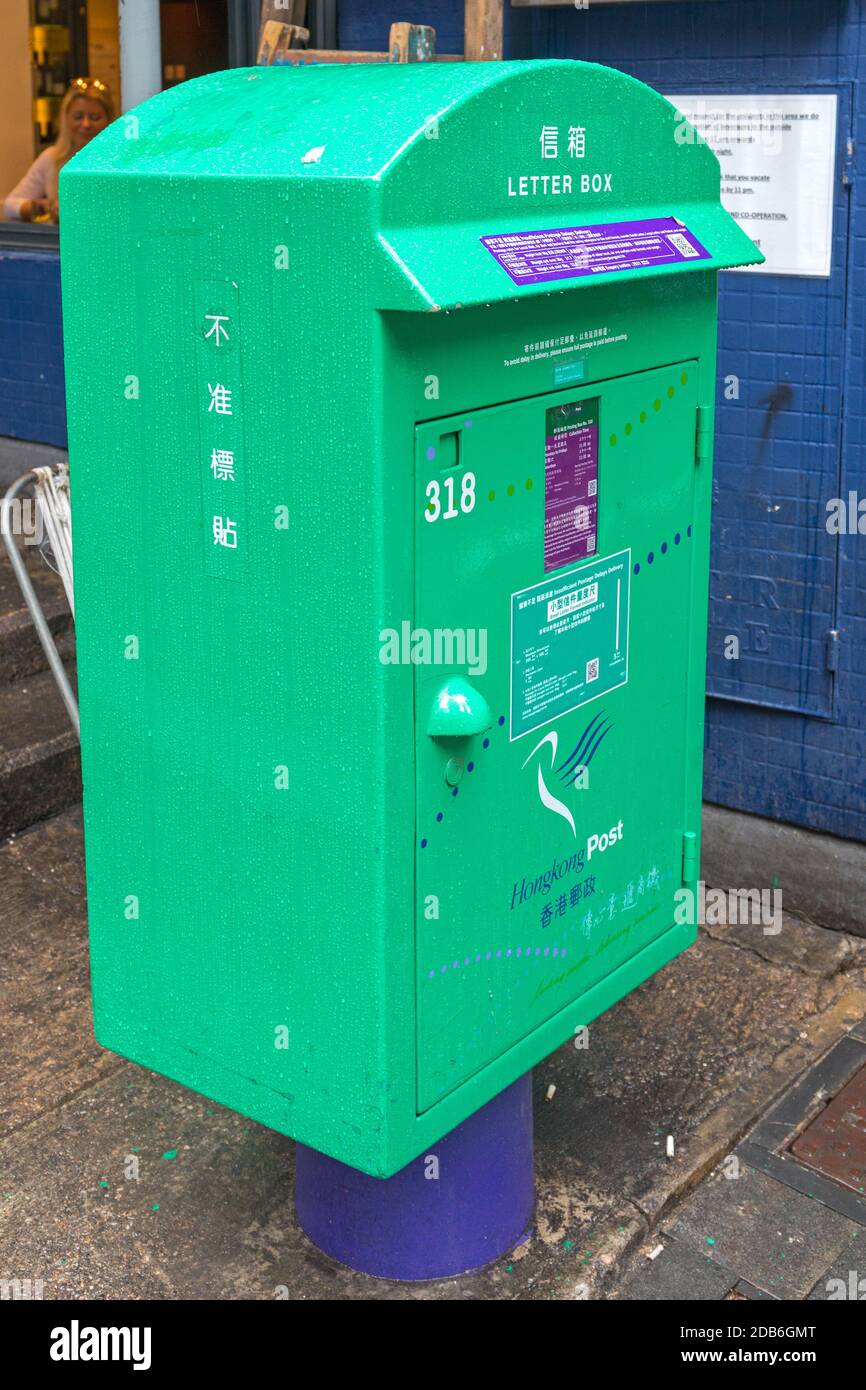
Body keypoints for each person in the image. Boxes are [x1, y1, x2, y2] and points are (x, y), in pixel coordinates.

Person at [4, 78, 114, 223]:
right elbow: (9, 205)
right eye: (78, 117)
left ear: (109, 121)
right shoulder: (51, 158)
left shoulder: (119, 161)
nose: (86, 124)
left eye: (94, 117)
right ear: (66, 119)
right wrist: (43, 207)